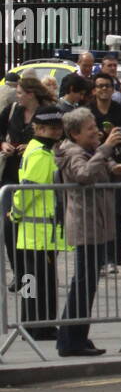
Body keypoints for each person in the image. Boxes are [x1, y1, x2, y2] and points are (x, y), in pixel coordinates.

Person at [55, 107, 121, 356]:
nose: (97, 131)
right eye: (90, 129)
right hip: (86, 225)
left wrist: (112, 168)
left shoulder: (87, 151)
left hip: (97, 224)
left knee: (87, 284)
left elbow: (96, 167)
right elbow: (83, 174)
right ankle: (70, 340)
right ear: (76, 134)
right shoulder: (74, 152)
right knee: (83, 284)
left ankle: (75, 336)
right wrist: (106, 148)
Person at [9, 106, 69, 340]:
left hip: (38, 229)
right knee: (36, 281)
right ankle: (35, 325)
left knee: (35, 280)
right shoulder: (40, 154)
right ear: (39, 128)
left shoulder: (42, 151)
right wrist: (15, 213)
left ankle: (36, 323)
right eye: (51, 128)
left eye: (58, 127)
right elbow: (27, 190)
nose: (56, 132)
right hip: (37, 230)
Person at [1, 74, 56, 278]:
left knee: (37, 276)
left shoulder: (47, 114)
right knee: (9, 226)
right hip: (12, 174)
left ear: (31, 94)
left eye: (20, 93)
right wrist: (3, 144)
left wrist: (33, 145)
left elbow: (57, 139)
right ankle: (21, 276)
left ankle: (29, 284)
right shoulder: (12, 110)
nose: (17, 97)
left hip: (34, 182)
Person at [89, 71, 121, 273]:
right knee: (96, 214)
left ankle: (112, 258)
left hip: (118, 165)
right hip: (94, 164)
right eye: (100, 86)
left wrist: (118, 135)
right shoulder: (88, 110)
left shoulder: (120, 110)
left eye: (107, 86)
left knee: (116, 213)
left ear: (113, 89)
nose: (104, 89)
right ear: (94, 90)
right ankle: (97, 257)